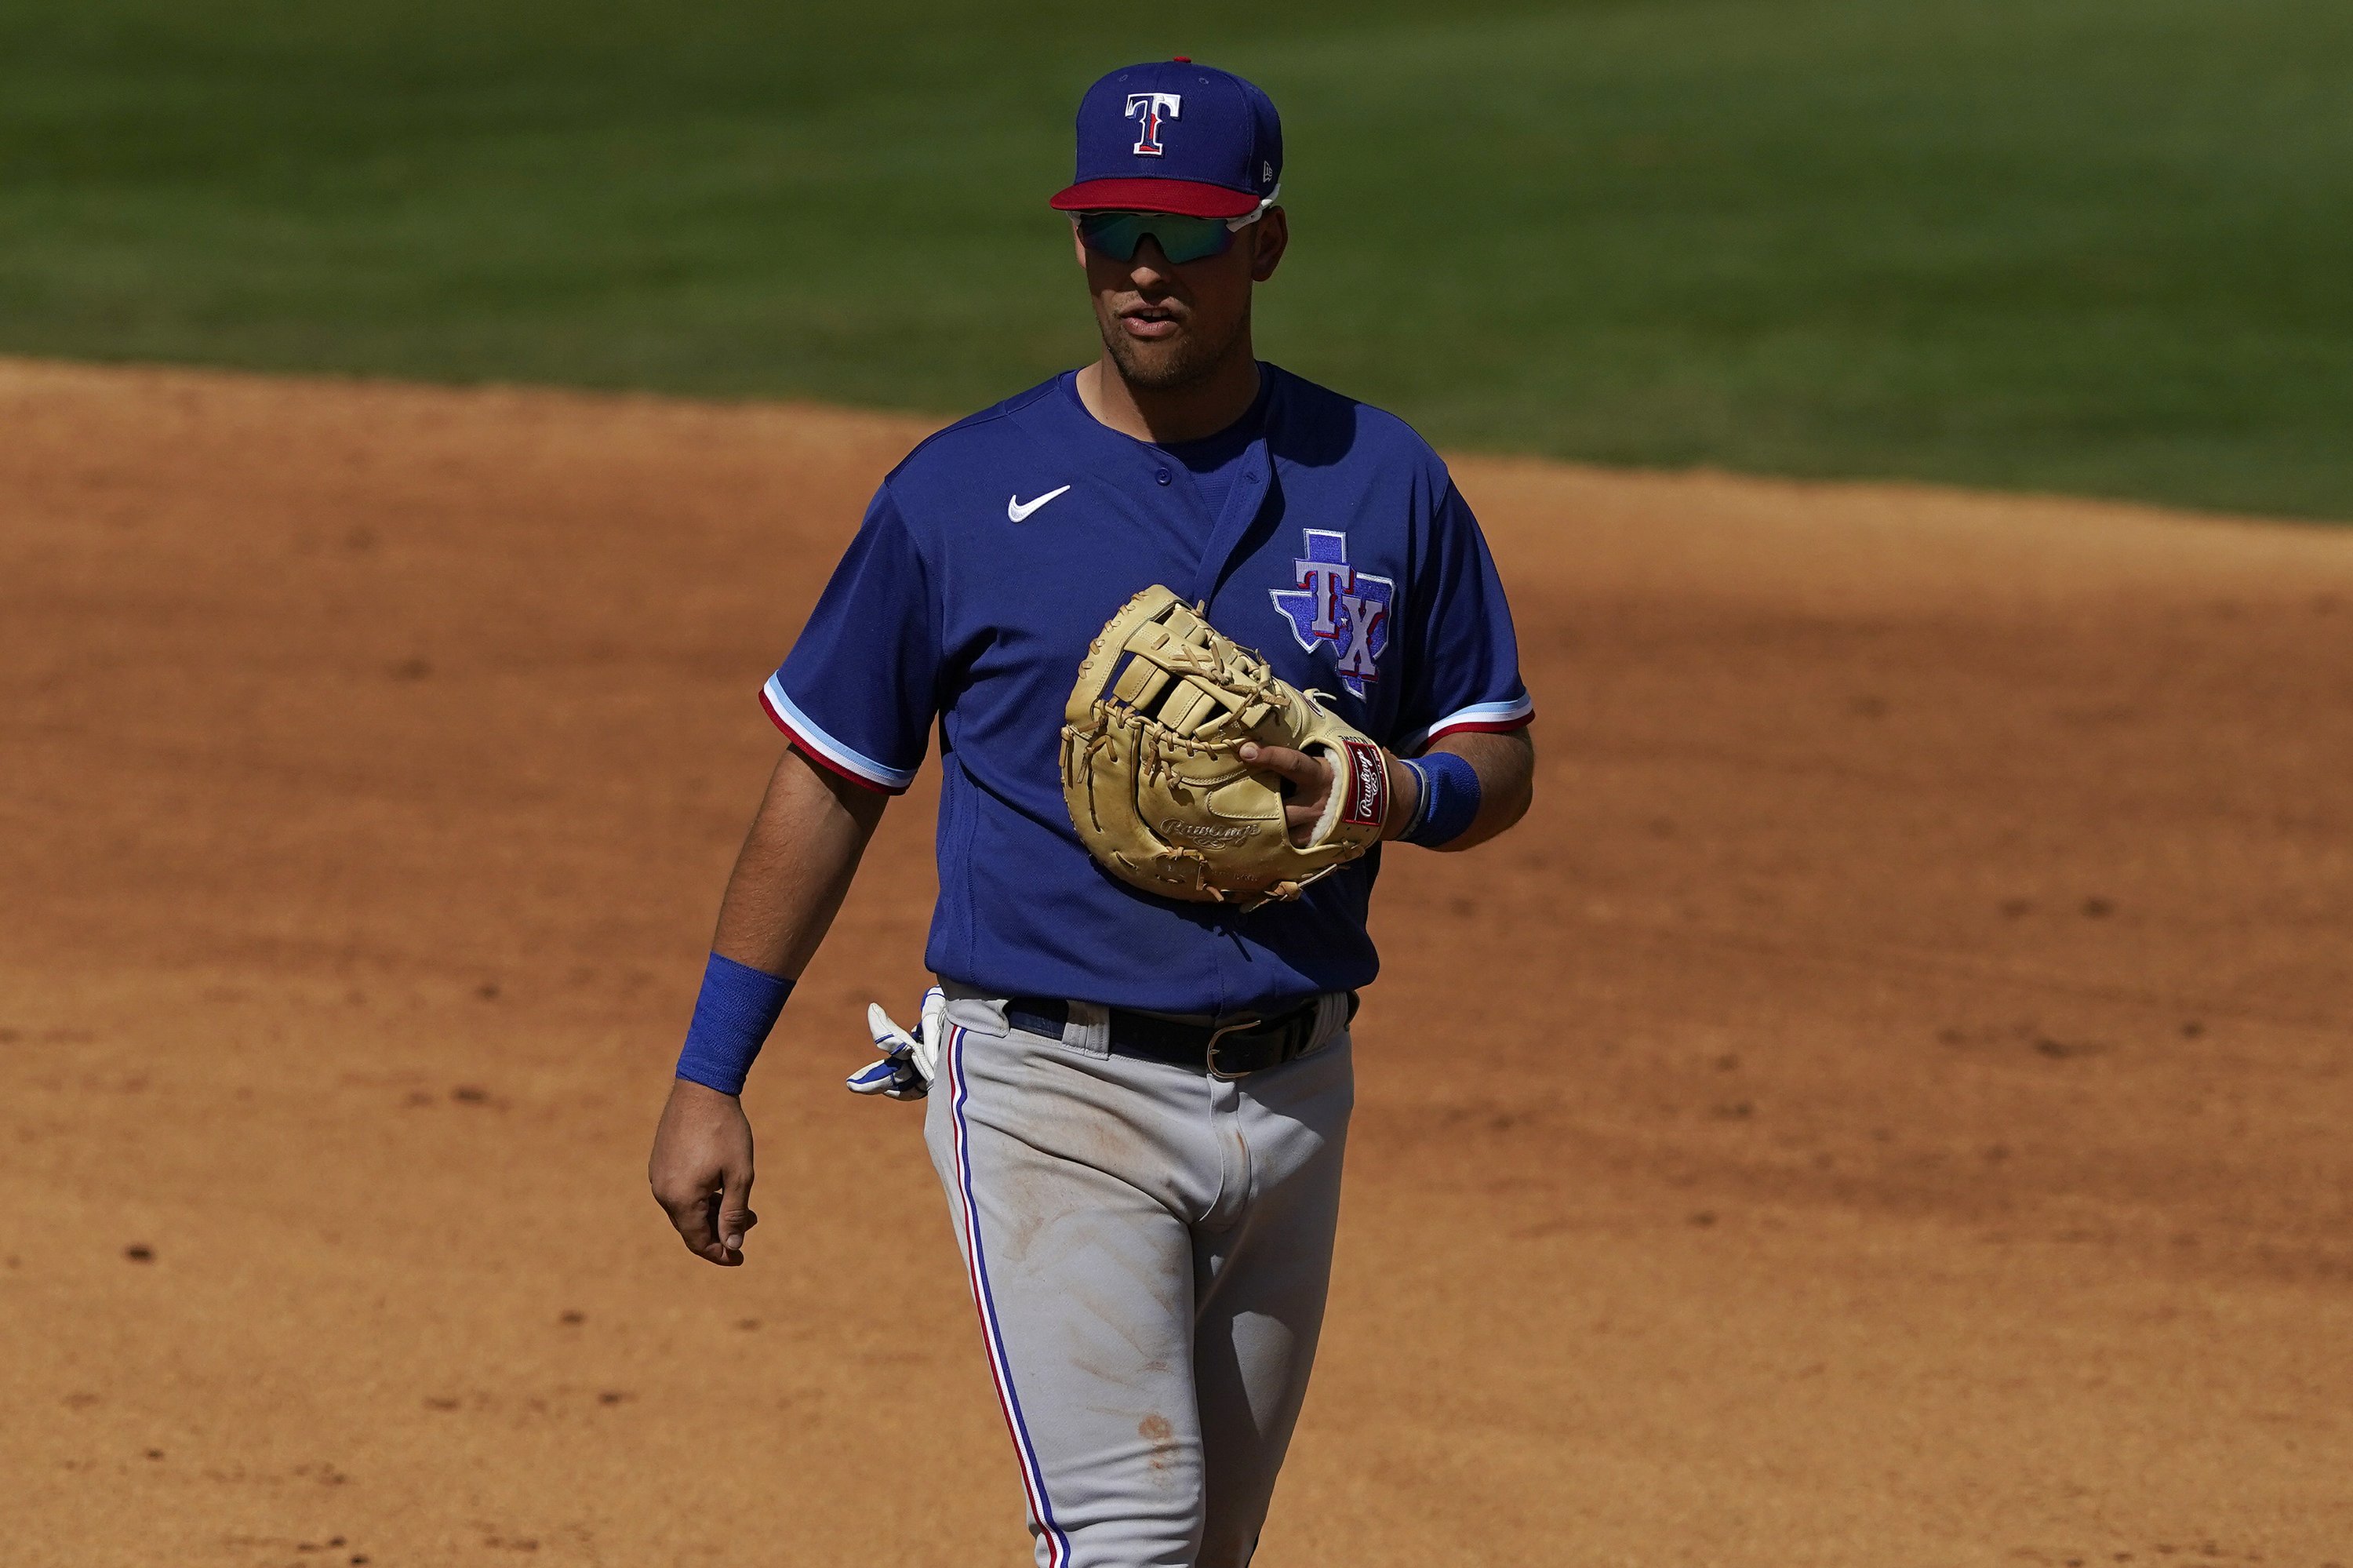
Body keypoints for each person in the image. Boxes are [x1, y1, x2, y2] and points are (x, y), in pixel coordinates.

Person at [648, 58, 1535, 1567]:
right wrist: (709, 1072)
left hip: (1296, 1089)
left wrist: (1411, 791)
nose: (1145, 266)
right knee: (1127, 1541)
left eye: (1185, 233)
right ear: (1074, 239)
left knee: (1205, 1555)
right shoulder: (959, 495)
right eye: (1114, 226)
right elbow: (829, 778)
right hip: (1054, 1086)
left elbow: (1494, 747)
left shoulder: (1382, 481)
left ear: (1262, 241)